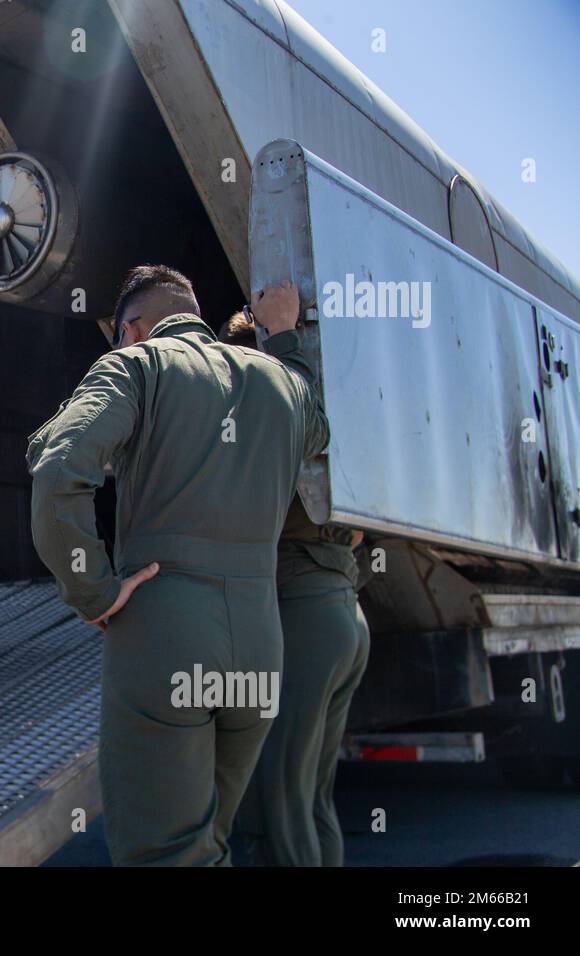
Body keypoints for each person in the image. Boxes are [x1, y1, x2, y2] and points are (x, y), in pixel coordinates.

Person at [26, 265, 328, 865]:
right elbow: (317, 431)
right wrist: (285, 342)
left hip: (166, 634)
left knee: (165, 854)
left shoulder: (135, 366)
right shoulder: (282, 383)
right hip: (260, 644)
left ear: (130, 329)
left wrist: (94, 592)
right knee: (209, 843)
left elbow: (58, 469)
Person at [218, 311, 370, 866]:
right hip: (343, 615)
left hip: (304, 616)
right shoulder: (327, 432)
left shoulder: (264, 427)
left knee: (277, 802)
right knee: (311, 799)